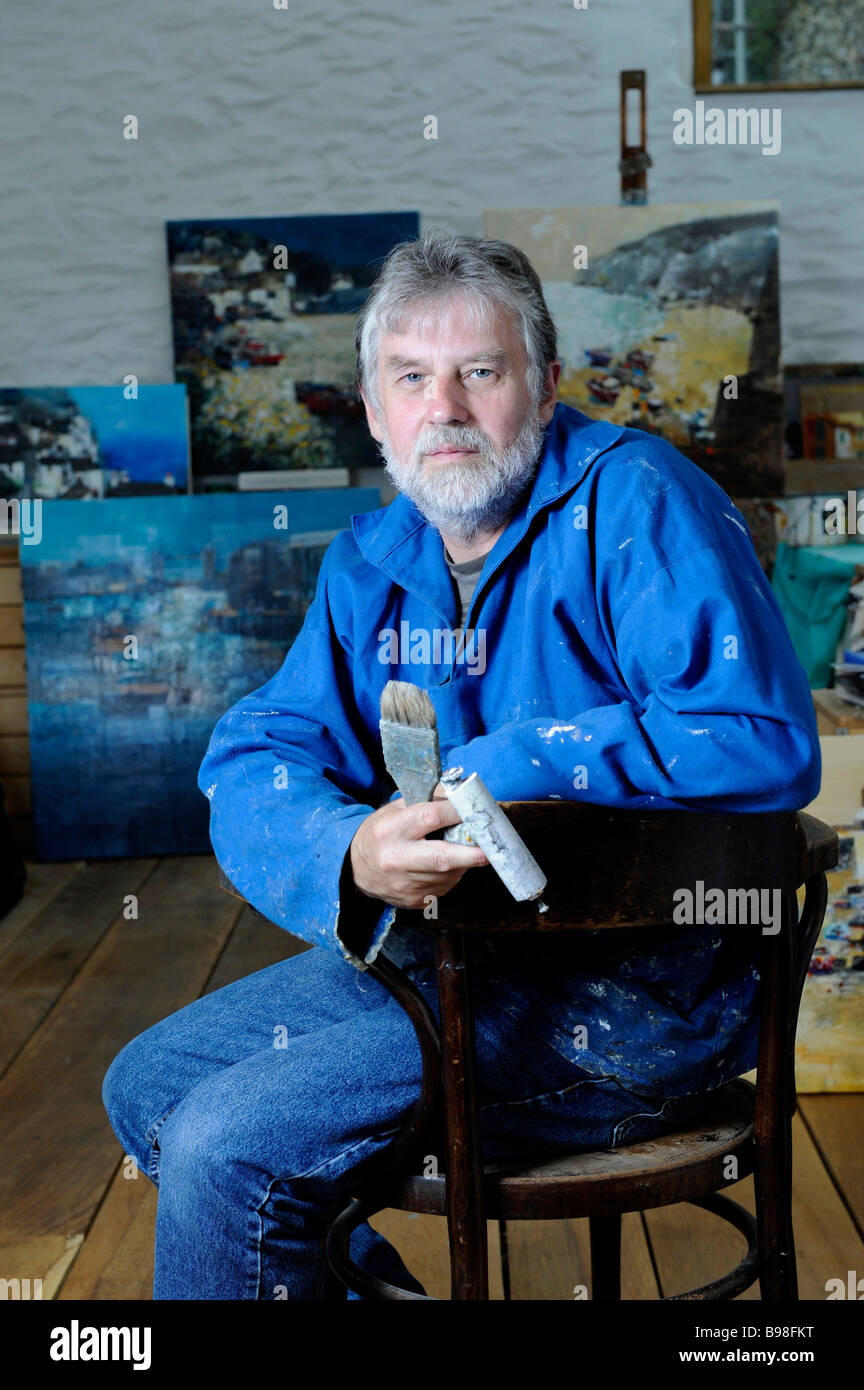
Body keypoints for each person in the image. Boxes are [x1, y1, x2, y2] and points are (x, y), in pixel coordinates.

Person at [102, 231, 820, 1300]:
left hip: (636, 998)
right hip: (444, 965)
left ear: (544, 382)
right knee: (146, 1081)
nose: (444, 408)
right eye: (411, 377)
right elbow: (259, 750)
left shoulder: (640, 503)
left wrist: (525, 763)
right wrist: (347, 850)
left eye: (480, 371)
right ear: (375, 404)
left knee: (225, 1142)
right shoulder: (371, 561)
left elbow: (760, 737)